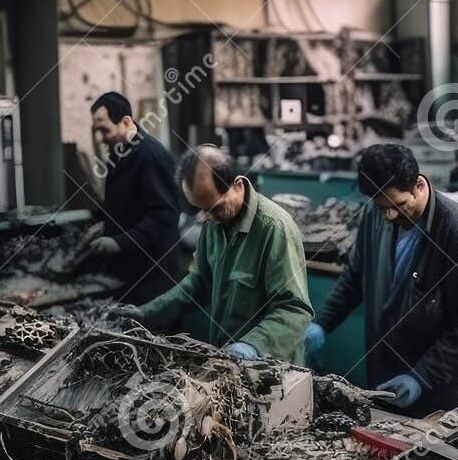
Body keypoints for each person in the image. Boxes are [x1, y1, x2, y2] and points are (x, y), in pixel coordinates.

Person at [307, 144, 458, 413]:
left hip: (443, 387)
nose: (389, 215)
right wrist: (323, 322)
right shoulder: (376, 214)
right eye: (381, 207)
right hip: (387, 372)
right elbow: (355, 276)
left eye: (399, 205)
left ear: (419, 186)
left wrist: (421, 377)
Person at [123, 145, 311, 361]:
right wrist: (146, 313)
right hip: (227, 357)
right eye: (201, 209)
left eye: (214, 208)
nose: (206, 217)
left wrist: (252, 346)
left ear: (237, 185)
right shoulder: (214, 223)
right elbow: (199, 283)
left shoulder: (274, 228)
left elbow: (294, 309)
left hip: (271, 366)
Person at [86, 92, 181, 303]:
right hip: (128, 271)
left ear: (126, 122)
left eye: (105, 130)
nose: (101, 138)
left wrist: (118, 242)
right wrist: (103, 224)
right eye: (97, 131)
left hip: (152, 275)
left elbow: (165, 217)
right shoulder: (117, 153)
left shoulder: (153, 156)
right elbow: (123, 203)